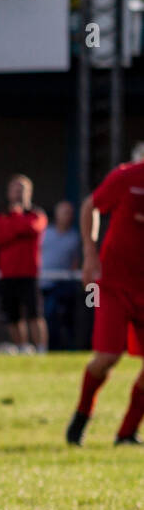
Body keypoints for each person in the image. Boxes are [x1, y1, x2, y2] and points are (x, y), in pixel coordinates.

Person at [67, 152, 144, 446]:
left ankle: (127, 434)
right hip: (114, 284)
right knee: (107, 358)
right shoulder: (127, 176)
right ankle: (81, 418)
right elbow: (90, 206)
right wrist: (90, 253)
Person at [0, 174, 47, 353]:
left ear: (29, 192)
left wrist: (13, 224)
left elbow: (31, 228)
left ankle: (41, 349)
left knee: (34, 314)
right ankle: (22, 348)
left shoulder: (36, 214)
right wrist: (16, 227)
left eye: (21, 189)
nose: (18, 193)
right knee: (13, 316)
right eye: (14, 189)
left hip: (29, 273)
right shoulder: (2, 215)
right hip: (8, 274)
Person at [41, 200, 82, 351]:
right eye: (64, 212)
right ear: (57, 214)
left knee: (67, 319)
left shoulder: (74, 237)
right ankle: (49, 348)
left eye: (70, 213)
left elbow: (75, 261)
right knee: (48, 317)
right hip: (44, 284)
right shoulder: (45, 233)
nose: (68, 216)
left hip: (64, 285)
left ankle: (69, 347)